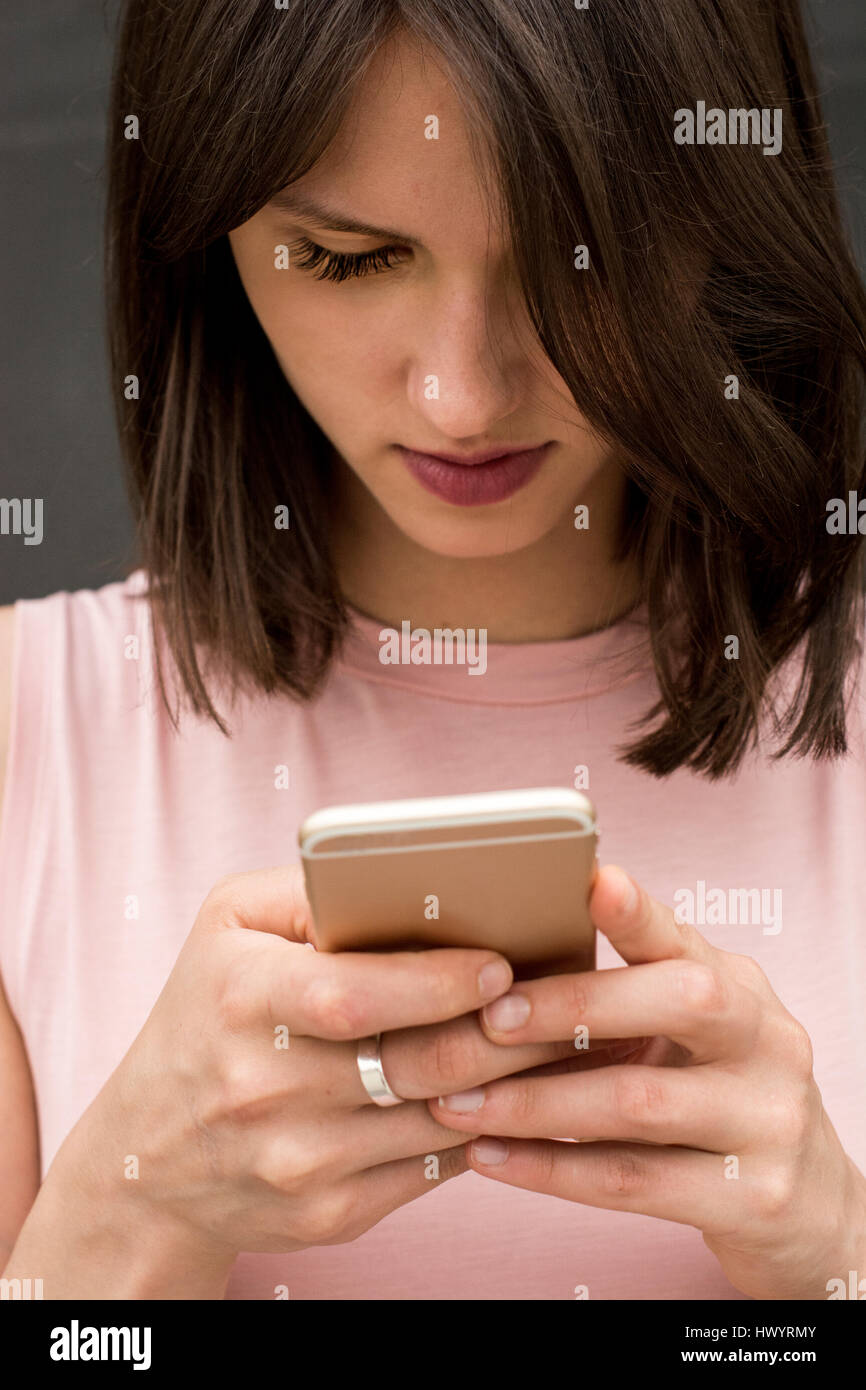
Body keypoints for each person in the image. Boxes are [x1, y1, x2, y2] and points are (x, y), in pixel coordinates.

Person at [1, 0, 865, 1301]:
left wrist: (831, 1256)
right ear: (207, 231)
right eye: (347, 258)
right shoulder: (24, 736)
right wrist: (129, 1212)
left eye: (579, 267)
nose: (461, 395)